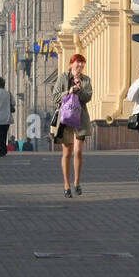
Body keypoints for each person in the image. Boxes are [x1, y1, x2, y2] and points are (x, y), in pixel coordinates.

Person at [53, 54, 92, 197]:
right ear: (71, 64)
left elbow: (87, 97)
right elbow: (55, 96)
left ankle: (76, 182)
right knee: (67, 152)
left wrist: (79, 88)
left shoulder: (85, 80)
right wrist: (68, 92)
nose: (80, 66)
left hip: (80, 119)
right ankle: (66, 185)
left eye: (82, 64)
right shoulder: (63, 78)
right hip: (65, 120)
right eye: (78, 63)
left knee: (78, 151)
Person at [0, 77, 16, 157]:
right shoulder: (8, 93)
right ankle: (4, 150)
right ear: (4, 84)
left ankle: (2, 151)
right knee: (4, 134)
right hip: (6, 117)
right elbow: (13, 103)